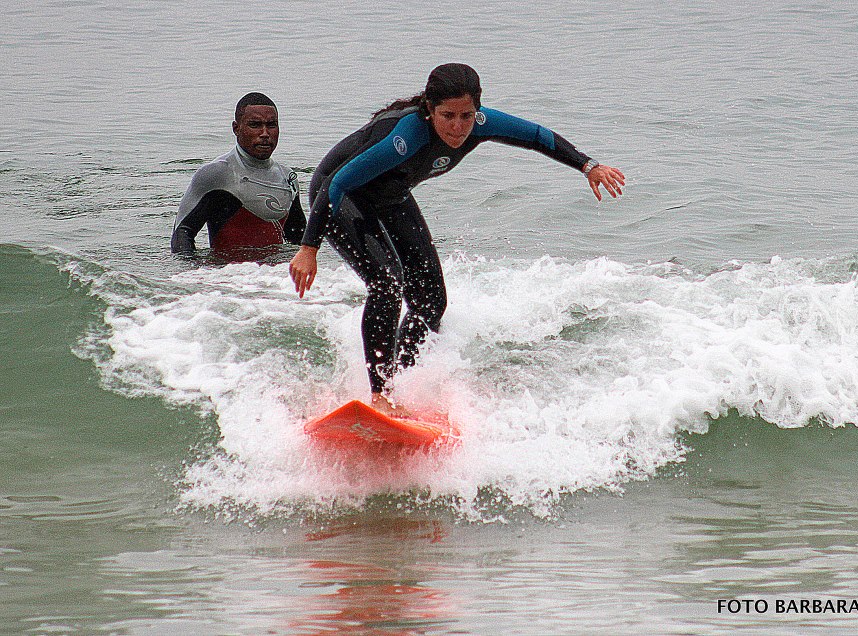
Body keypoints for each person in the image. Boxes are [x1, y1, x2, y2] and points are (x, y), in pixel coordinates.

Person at [289, 63, 625, 413]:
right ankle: (380, 395)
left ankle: (400, 381)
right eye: (447, 115)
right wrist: (309, 248)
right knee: (387, 282)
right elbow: (337, 183)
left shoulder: (481, 124)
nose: (458, 127)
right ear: (429, 110)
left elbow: (538, 136)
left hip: (391, 195)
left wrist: (589, 165)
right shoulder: (406, 137)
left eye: (467, 115)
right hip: (341, 196)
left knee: (431, 301)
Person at [171, 92, 305, 257]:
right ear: (236, 128)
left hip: (275, 278)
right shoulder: (217, 174)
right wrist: (195, 274)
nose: (265, 133)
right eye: (255, 125)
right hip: (231, 278)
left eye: (271, 125)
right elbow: (182, 233)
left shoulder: (287, 178)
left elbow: (300, 244)